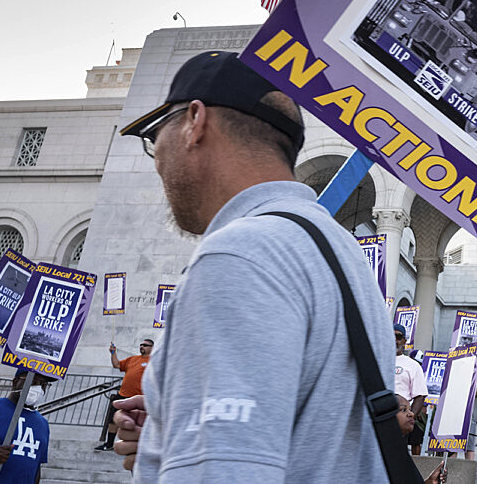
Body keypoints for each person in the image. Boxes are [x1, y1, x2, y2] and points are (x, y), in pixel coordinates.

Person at [111, 51, 394, 481]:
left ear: (194, 121)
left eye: (154, 137)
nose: (157, 160)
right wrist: (177, 433)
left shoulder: (240, 255)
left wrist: (197, 452)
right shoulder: (339, 252)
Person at [94, 338, 152, 451]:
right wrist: (113, 353)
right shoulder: (133, 359)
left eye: (145, 345)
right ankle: (109, 443)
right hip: (123, 394)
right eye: (141, 345)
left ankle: (135, 447)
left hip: (139, 398)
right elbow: (116, 365)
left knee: (135, 423)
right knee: (113, 419)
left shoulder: (154, 361)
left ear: (151, 348)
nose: (142, 347)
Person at [395, 323, 429, 454]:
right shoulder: (378, 360)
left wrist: (410, 417)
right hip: (380, 417)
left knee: (397, 456)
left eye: (398, 337)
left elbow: (420, 395)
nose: (394, 340)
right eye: (391, 336)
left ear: (404, 340)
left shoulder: (413, 365)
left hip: (400, 419)